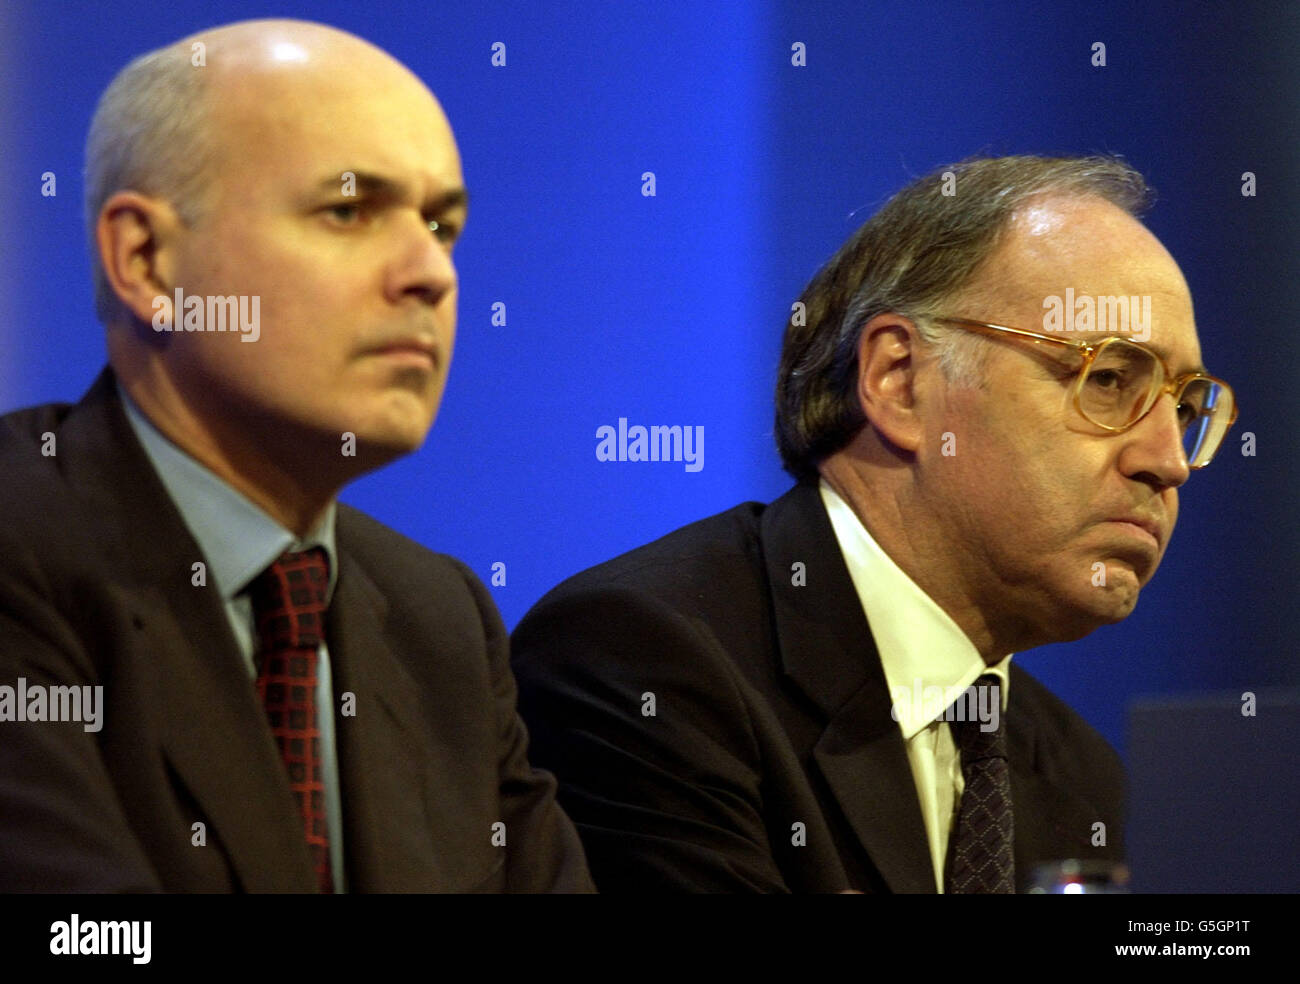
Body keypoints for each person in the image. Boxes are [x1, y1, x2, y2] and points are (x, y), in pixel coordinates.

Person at [511, 155, 1237, 893]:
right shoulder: (644, 661)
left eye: (1183, 411)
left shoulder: (1080, 773)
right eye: (1110, 379)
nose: (1167, 461)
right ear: (899, 382)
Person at [0, 19, 592, 893]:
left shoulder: (441, 622)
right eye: (349, 210)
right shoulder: (21, 545)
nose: (431, 272)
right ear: (148, 262)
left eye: (442, 224)